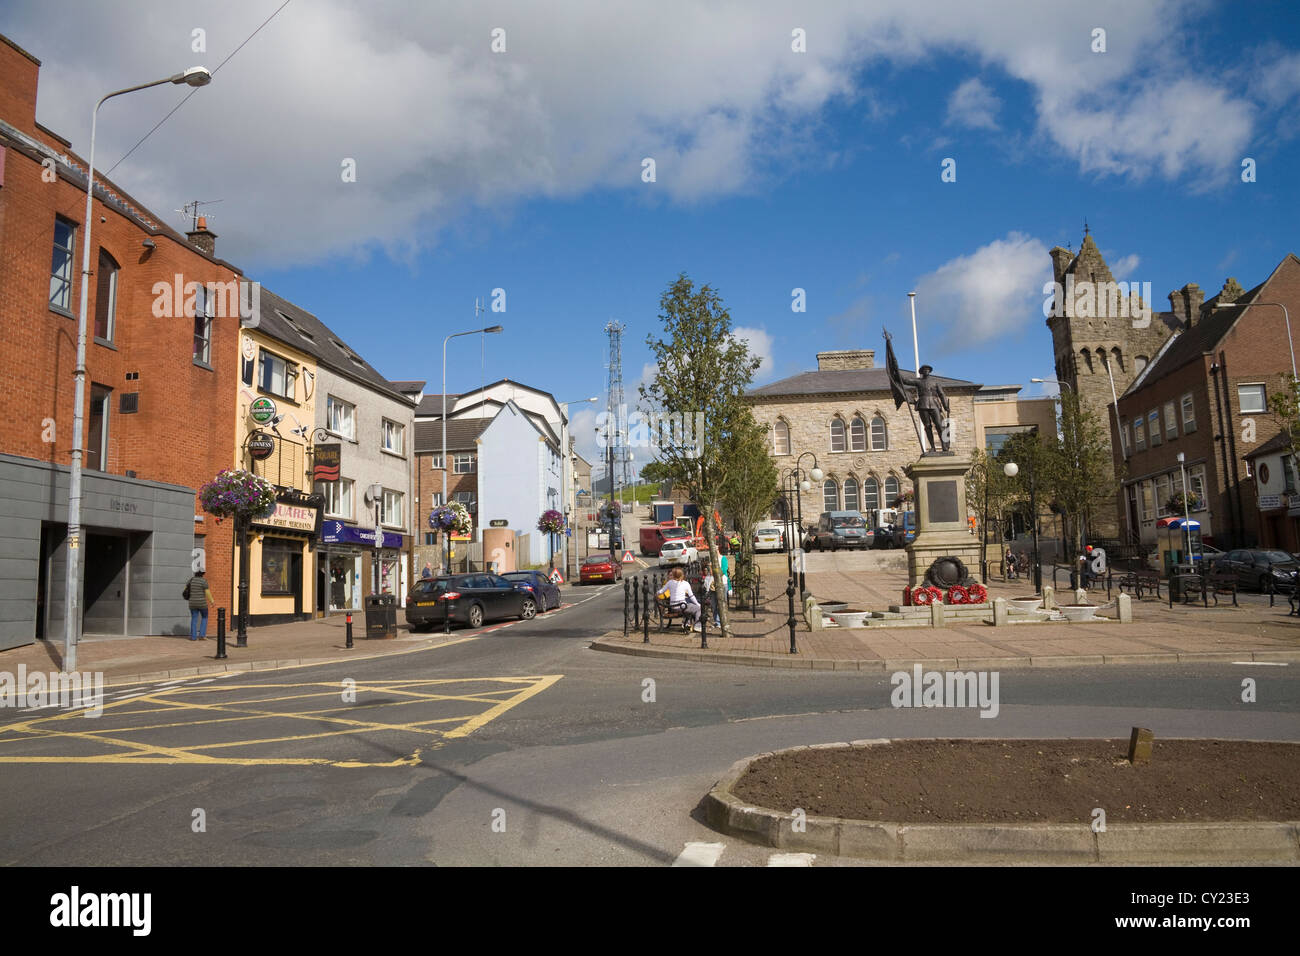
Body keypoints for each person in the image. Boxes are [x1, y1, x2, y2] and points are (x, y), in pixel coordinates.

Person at [665, 566, 701, 631]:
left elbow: (661, 592)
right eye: (670, 575)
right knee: (696, 607)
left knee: (688, 604)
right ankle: (696, 626)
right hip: (678, 607)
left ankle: (686, 623)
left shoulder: (669, 583)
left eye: (673, 575)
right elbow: (691, 596)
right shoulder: (672, 584)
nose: (672, 577)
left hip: (674, 606)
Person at [185, 569, 213, 640]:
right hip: (202, 603)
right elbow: (207, 593)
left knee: (194, 619)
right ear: (202, 574)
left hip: (192, 603)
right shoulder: (203, 581)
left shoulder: (190, 581)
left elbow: (186, 590)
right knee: (204, 617)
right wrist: (212, 601)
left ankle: (193, 637)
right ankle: (202, 635)